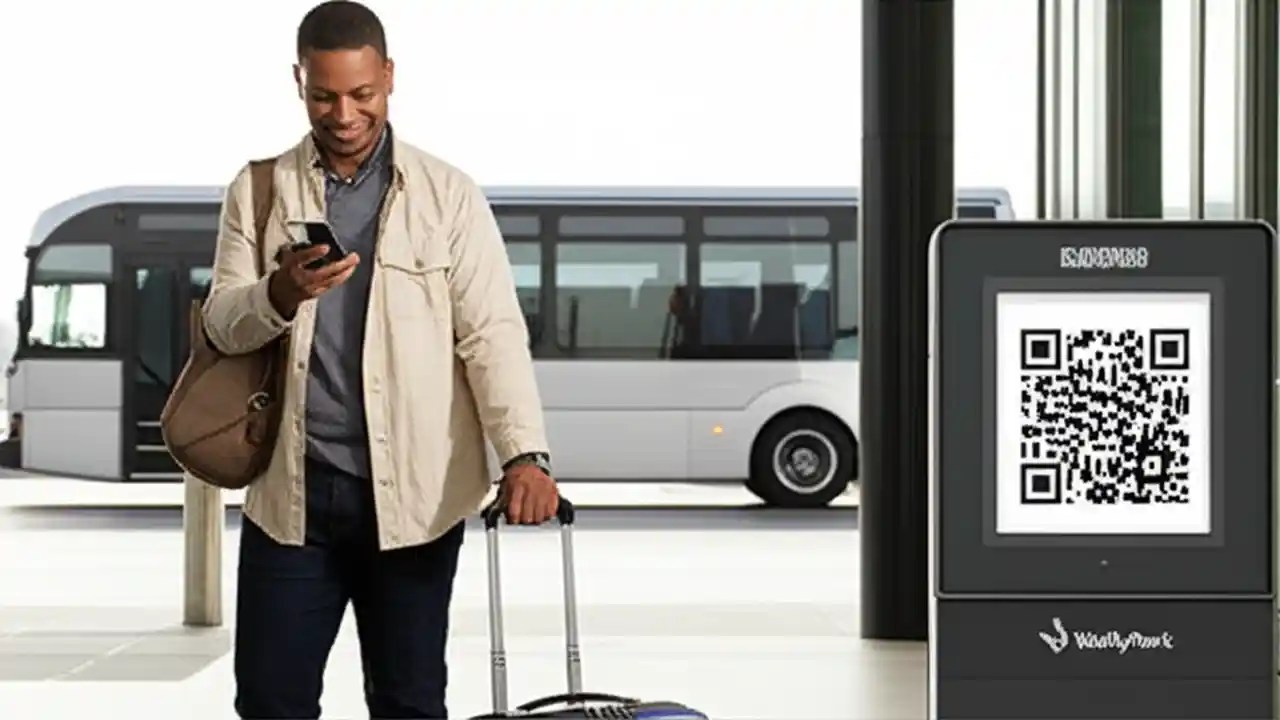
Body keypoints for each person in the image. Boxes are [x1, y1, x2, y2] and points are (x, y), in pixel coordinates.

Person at [200, 1, 560, 717]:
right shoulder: (259, 189)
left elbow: (490, 333)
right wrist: (279, 291)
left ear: (389, 78)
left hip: (416, 503)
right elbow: (221, 324)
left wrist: (525, 455)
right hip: (292, 501)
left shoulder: (447, 195)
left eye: (361, 94)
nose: (343, 114)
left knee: (409, 702)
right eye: (323, 94)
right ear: (297, 80)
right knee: (271, 703)